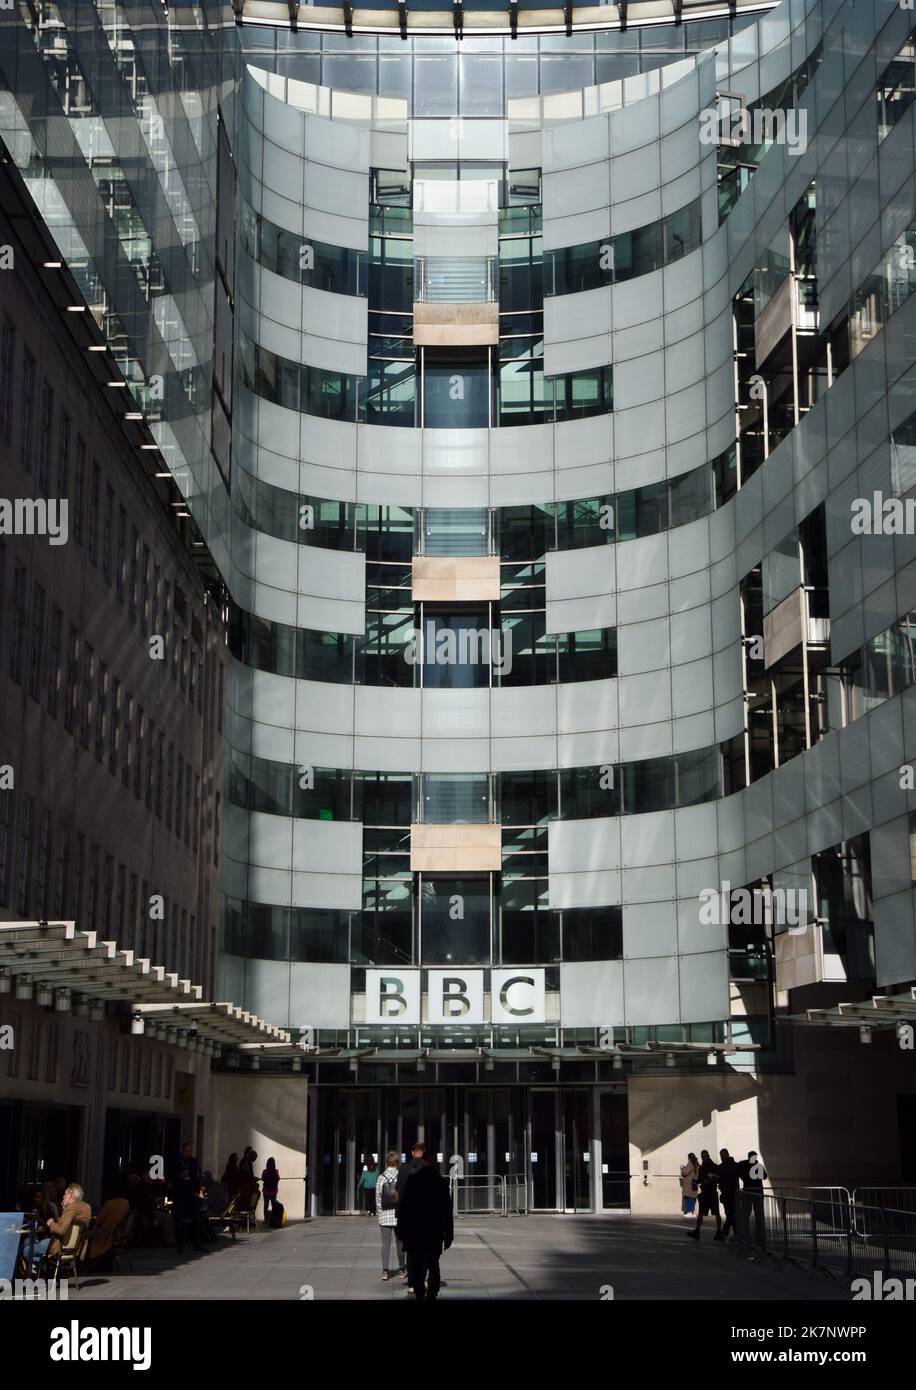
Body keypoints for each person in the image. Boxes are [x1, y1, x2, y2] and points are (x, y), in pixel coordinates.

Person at [397, 1148, 453, 1301]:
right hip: (435, 1232)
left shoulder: (413, 1180)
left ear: (423, 1162)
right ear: (435, 1162)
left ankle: (420, 1294)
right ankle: (432, 1294)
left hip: (416, 1232)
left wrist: (401, 1230)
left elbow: (405, 1207)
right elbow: (447, 1211)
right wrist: (449, 1235)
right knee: (433, 1265)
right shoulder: (441, 1182)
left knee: (417, 1266)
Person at [29, 1183, 92, 1272]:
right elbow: (71, 1224)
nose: (63, 1197)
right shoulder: (86, 1207)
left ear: (70, 1194)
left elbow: (62, 1230)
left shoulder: (71, 1207)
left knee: (27, 1250)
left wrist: (51, 1223)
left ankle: (41, 1271)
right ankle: (47, 1270)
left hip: (61, 1245)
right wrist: (60, 1217)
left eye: (65, 1194)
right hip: (74, 1247)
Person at [169, 1141, 204, 1253]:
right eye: (186, 1150)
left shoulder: (194, 1162)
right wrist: (179, 1176)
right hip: (180, 1193)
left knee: (196, 1219)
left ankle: (197, 1244)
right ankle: (180, 1244)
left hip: (191, 1193)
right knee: (179, 1219)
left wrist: (197, 1190)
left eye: (190, 1151)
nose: (188, 1153)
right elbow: (170, 1176)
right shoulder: (176, 1162)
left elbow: (197, 1176)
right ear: (183, 1151)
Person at [375, 1151, 406, 1281]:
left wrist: (379, 1212)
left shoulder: (381, 1177)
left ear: (387, 1162)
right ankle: (401, 1269)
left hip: (385, 1216)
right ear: (397, 1162)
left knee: (385, 1244)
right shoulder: (402, 1176)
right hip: (399, 1215)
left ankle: (385, 1271)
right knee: (400, 1244)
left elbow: (378, 1197)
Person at [87, 1194, 130, 1268]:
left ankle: (90, 1261)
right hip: (117, 1233)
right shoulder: (124, 1205)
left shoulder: (110, 1204)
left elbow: (99, 1221)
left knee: (89, 1237)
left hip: (107, 1232)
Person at [688, 1148, 722, 1241]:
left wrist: (710, 1180)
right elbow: (699, 1180)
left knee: (716, 1213)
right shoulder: (702, 1168)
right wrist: (694, 1181)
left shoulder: (714, 1166)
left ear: (708, 1156)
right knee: (702, 1213)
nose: (703, 1158)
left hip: (711, 1192)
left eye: (705, 1156)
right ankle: (697, 1231)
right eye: (702, 1157)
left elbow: (718, 1179)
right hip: (705, 1193)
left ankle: (719, 1231)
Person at [738, 1150, 767, 1250]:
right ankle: (758, 1234)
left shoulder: (744, 1165)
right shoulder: (756, 1166)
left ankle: (746, 1233)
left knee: (747, 1213)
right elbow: (764, 1176)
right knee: (757, 1214)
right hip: (756, 1193)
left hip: (749, 1192)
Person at [717, 1149, 740, 1240]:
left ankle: (725, 1233)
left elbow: (718, 1179)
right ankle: (734, 1233)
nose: (721, 1157)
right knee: (731, 1214)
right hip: (732, 1193)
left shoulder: (721, 1167)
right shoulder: (736, 1165)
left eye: (722, 1155)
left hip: (728, 1193)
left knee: (730, 1215)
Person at [261, 1158, 281, 1226]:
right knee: (274, 1206)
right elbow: (278, 1178)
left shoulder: (265, 1171)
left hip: (266, 1191)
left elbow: (263, 1178)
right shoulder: (276, 1171)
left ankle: (266, 1220)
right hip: (273, 1191)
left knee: (265, 1206)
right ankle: (273, 1219)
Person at [679, 1153, 699, 1218]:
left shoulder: (690, 1163)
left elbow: (685, 1172)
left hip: (689, 1185)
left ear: (689, 1158)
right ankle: (692, 1212)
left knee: (688, 1198)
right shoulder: (697, 1164)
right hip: (694, 1184)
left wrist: (682, 1168)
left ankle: (690, 1212)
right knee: (692, 1198)